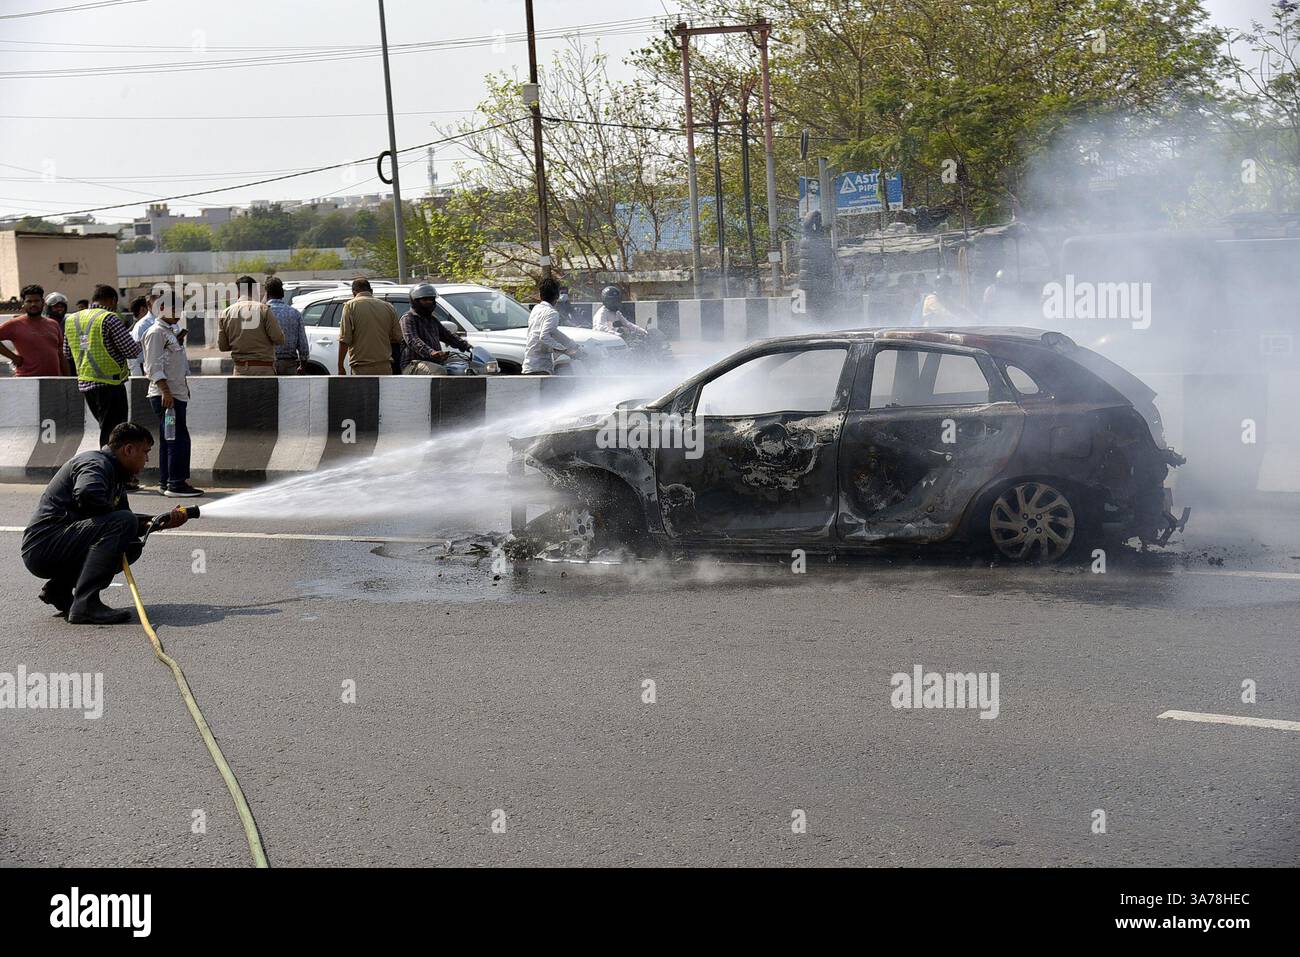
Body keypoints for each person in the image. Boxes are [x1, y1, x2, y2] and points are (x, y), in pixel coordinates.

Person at [21, 422, 189, 625]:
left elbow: (121, 522)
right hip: (44, 545)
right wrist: (122, 520)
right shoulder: (96, 463)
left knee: (132, 545)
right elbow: (87, 493)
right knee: (123, 523)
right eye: (145, 452)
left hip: (57, 545)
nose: (146, 460)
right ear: (128, 449)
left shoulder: (115, 476)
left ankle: (60, 590)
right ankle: (86, 605)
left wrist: (158, 522)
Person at [62, 284, 141, 460]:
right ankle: (111, 474)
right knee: (114, 433)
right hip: (110, 384)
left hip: (86, 383)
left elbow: (67, 353)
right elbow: (131, 351)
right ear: (112, 300)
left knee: (106, 429)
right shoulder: (110, 318)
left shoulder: (71, 319)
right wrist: (140, 342)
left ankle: (111, 473)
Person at [142, 298, 203, 498]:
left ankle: (167, 481)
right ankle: (176, 483)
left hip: (175, 394)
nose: (178, 313)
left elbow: (176, 365)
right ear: (161, 309)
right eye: (173, 309)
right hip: (167, 398)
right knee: (178, 438)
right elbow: (152, 367)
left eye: (180, 309)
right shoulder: (156, 333)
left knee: (170, 437)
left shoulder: (170, 332)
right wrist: (166, 392)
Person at [399, 282, 473, 375]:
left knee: (462, 367)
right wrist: (431, 352)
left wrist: (468, 347)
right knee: (439, 371)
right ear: (415, 301)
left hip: (434, 361)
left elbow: (448, 336)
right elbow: (413, 340)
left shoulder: (432, 319)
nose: (429, 302)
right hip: (413, 364)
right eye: (425, 300)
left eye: (431, 299)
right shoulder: (408, 318)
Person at [217, 275, 284, 376]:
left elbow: (223, 346)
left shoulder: (226, 313)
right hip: (264, 370)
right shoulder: (264, 310)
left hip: (240, 370)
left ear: (238, 292)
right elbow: (279, 339)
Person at [0, 283, 68, 377]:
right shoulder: (14, 324)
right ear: (23, 304)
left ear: (43, 302)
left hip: (54, 380)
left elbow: (61, 354)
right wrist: (13, 357)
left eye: (36, 301)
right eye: (29, 301)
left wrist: (68, 378)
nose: (33, 304)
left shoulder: (53, 324)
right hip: (26, 380)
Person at [338, 277, 402, 376]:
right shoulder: (388, 306)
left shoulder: (350, 306)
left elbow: (345, 339)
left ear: (354, 293)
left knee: (363, 392)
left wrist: (340, 366)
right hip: (385, 365)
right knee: (384, 392)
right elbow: (397, 337)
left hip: (361, 366)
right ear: (371, 291)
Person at [522, 277, 580, 375]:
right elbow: (544, 337)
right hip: (540, 367)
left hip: (529, 365)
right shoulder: (552, 313)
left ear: (540, 295)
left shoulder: (536, 309)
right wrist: (565, 351)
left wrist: (572, 344)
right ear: (557, 296)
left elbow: (554, 332)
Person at [265, 276, 309, 376]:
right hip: (289, 364)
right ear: (282, 293)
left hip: (267, 364)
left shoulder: (261, 312)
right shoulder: (295, 313)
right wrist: (303, 366)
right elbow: (303, 345)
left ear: (267, 294)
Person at [126, 295, 155, 376]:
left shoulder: (140, 325)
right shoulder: (142, 326)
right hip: (144, 370)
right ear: (143, 309)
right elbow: (137, 357)